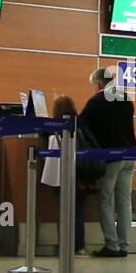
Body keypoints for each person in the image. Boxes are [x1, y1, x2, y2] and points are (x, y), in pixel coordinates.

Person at [80, 67, 136, 257]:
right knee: (124, 201)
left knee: (104, 199)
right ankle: (124, 245)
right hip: (130, 155)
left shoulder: (97, 100)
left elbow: (81, 124)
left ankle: (112, 245)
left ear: (98, 84)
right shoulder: (126, 99)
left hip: (111, 156)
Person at [41, 96, 92, 256]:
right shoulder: (81, 122)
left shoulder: (54, 125)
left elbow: (43, 134)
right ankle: (79, 246)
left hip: (62, 174)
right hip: (83, 173)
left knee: (64, 211)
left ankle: (66, 245)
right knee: (78, 211)